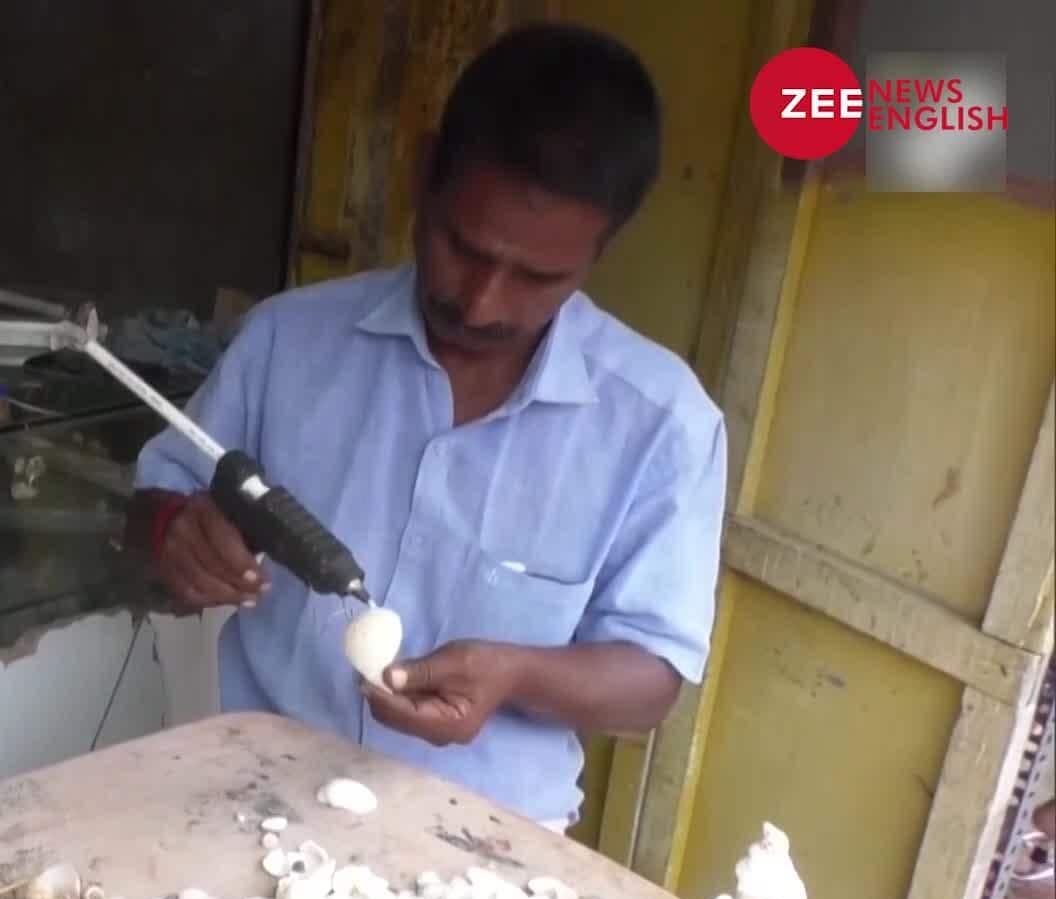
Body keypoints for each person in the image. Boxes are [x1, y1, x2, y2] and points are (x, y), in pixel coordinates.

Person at [129, 22, 727, 834]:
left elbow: (652, 678)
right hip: (255, 802)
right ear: (424, 173)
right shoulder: (287, 341)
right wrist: (175, 531)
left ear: (601, 247)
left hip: (483, 850)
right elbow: (158, 495)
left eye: (536, 277)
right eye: (462, 246)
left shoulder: (663, 426)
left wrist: (514, 675)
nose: (482, 302)